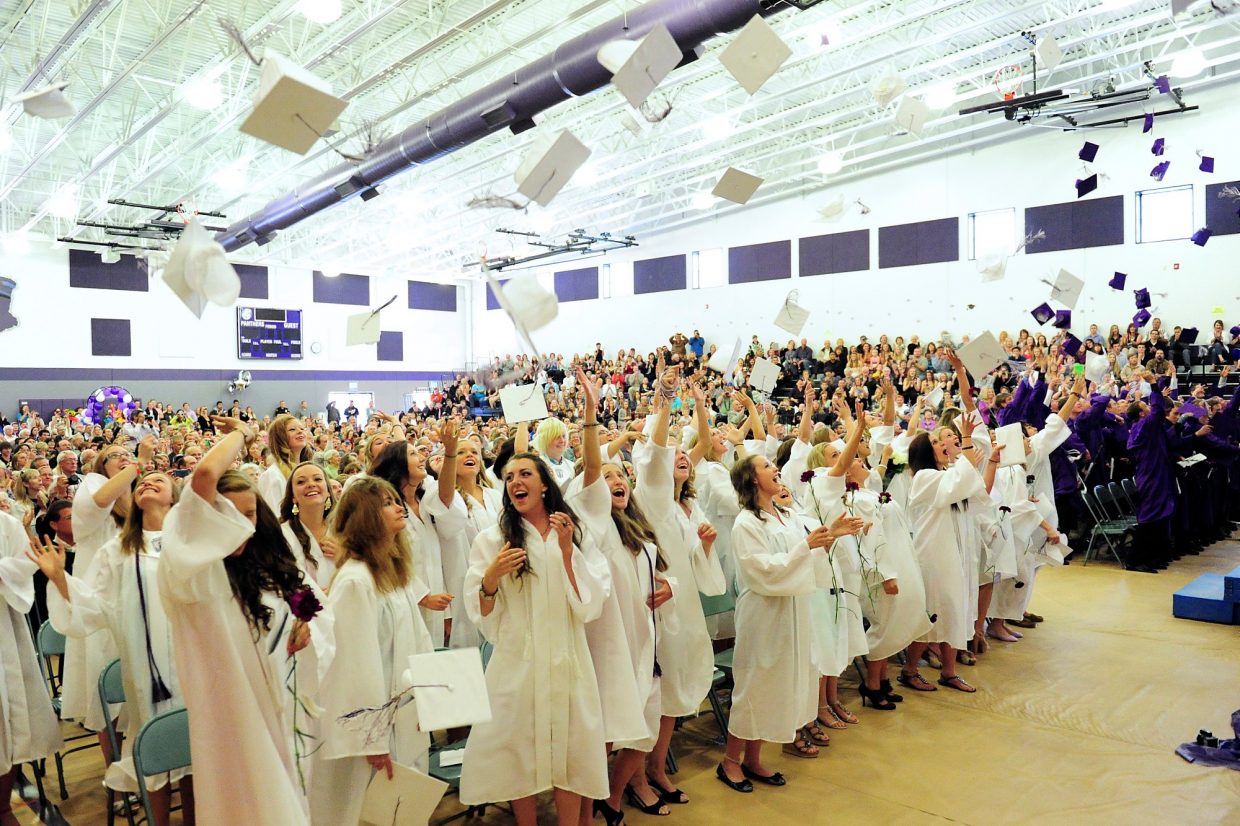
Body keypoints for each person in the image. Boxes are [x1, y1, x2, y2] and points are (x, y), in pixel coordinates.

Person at [158, 416, 315, 825]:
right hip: (231, 714)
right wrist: (243, 434)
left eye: (250, 514)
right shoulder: (192, 571)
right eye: (229, 515)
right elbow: (204, 476)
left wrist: (304, 622)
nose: (243, 527)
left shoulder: (262, 562)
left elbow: (302, 596)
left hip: (280, 703)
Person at [34, 472, 192, 826]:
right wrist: (60, 579)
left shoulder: (192, 538)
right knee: (157, 753)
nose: (147, 483)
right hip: (148, 669)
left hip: (194, 662)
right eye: (143, 481)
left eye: (158, 480)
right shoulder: (118, 549)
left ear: (174, 496)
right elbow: (95, 605)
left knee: (197, 760)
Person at [459, 452, 609, 826]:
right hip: (518, 661)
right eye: (509, 477)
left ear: (544, 485)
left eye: (525, 474)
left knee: (572, 751)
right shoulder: (493, 539)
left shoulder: (572, 532)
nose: (516, 482)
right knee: (517, 752)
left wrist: (567, 552)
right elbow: (482, 612)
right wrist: (491, 577)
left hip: (567, 657)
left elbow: (591, 604)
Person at [719, 452, 861, 792]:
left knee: (777, 686)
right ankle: (729, 762)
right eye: (767, 466)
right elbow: (761, 569)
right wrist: (806, 546)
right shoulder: (746, 523)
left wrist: (830, 536)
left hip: (793, 609)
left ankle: (754, 759)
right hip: (763, 613)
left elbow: (808, 554)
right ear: (752, 479)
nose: (775, 469)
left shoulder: (786, 515)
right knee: (754, 686)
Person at [312, 476, 436, 826]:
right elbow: (353, 665)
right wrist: (373, 740)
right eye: (386, 503)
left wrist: (431, 699)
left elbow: (419, 640)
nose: (398, 507)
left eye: (396, 500)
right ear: (366, 518)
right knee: (369, 813)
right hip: (373, 732)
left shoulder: (391, 575)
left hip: (403, 717)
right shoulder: (356, 581)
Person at [1, 505, 63, 826]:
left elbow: (27, 560)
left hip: (3, 633)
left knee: (9, 721)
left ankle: (2, 806)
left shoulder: (5, 524)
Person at [257, 414, 313, 512]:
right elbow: (273, 515)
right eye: (292, 429)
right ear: (280, 438)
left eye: (302, 428)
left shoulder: (309, 468)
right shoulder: (272, 475)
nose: (300, 431)